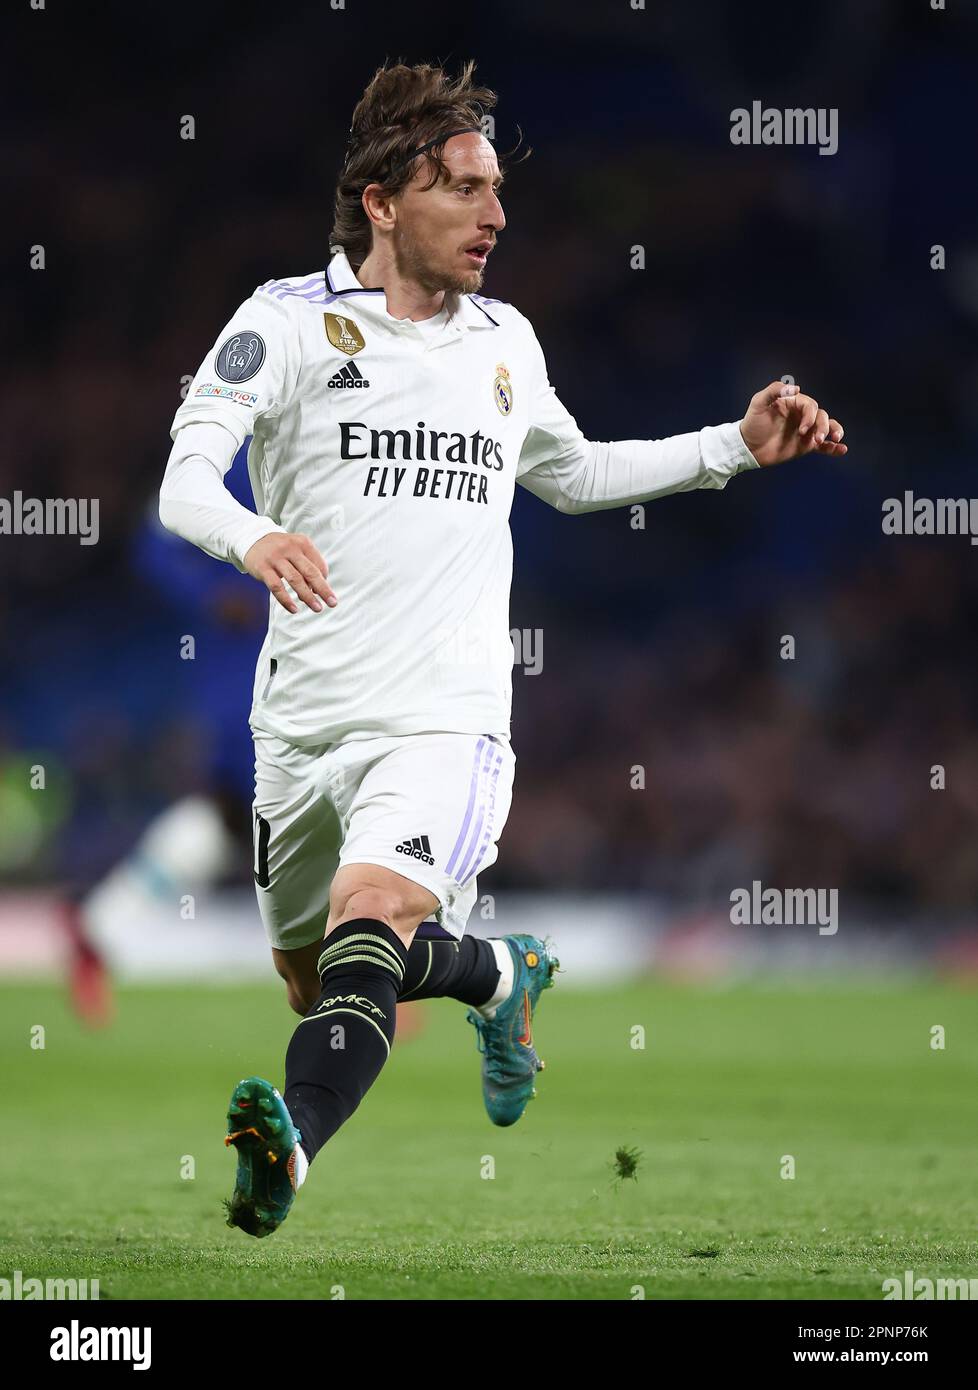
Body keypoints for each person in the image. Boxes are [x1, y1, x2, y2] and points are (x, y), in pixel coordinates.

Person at [159, 60, 846, 1238]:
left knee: (373, 917)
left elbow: (574, 474)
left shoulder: (504, 341)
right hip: (300, 722)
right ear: (382, 201)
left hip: (446, 716)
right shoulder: (282, 323)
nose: (497, 214)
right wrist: (255, 534)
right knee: (314, 976)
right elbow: (184, 479)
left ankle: (289, 1153)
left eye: (496, 189)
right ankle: (494, 974)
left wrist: (732, 443)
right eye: (465, 189)